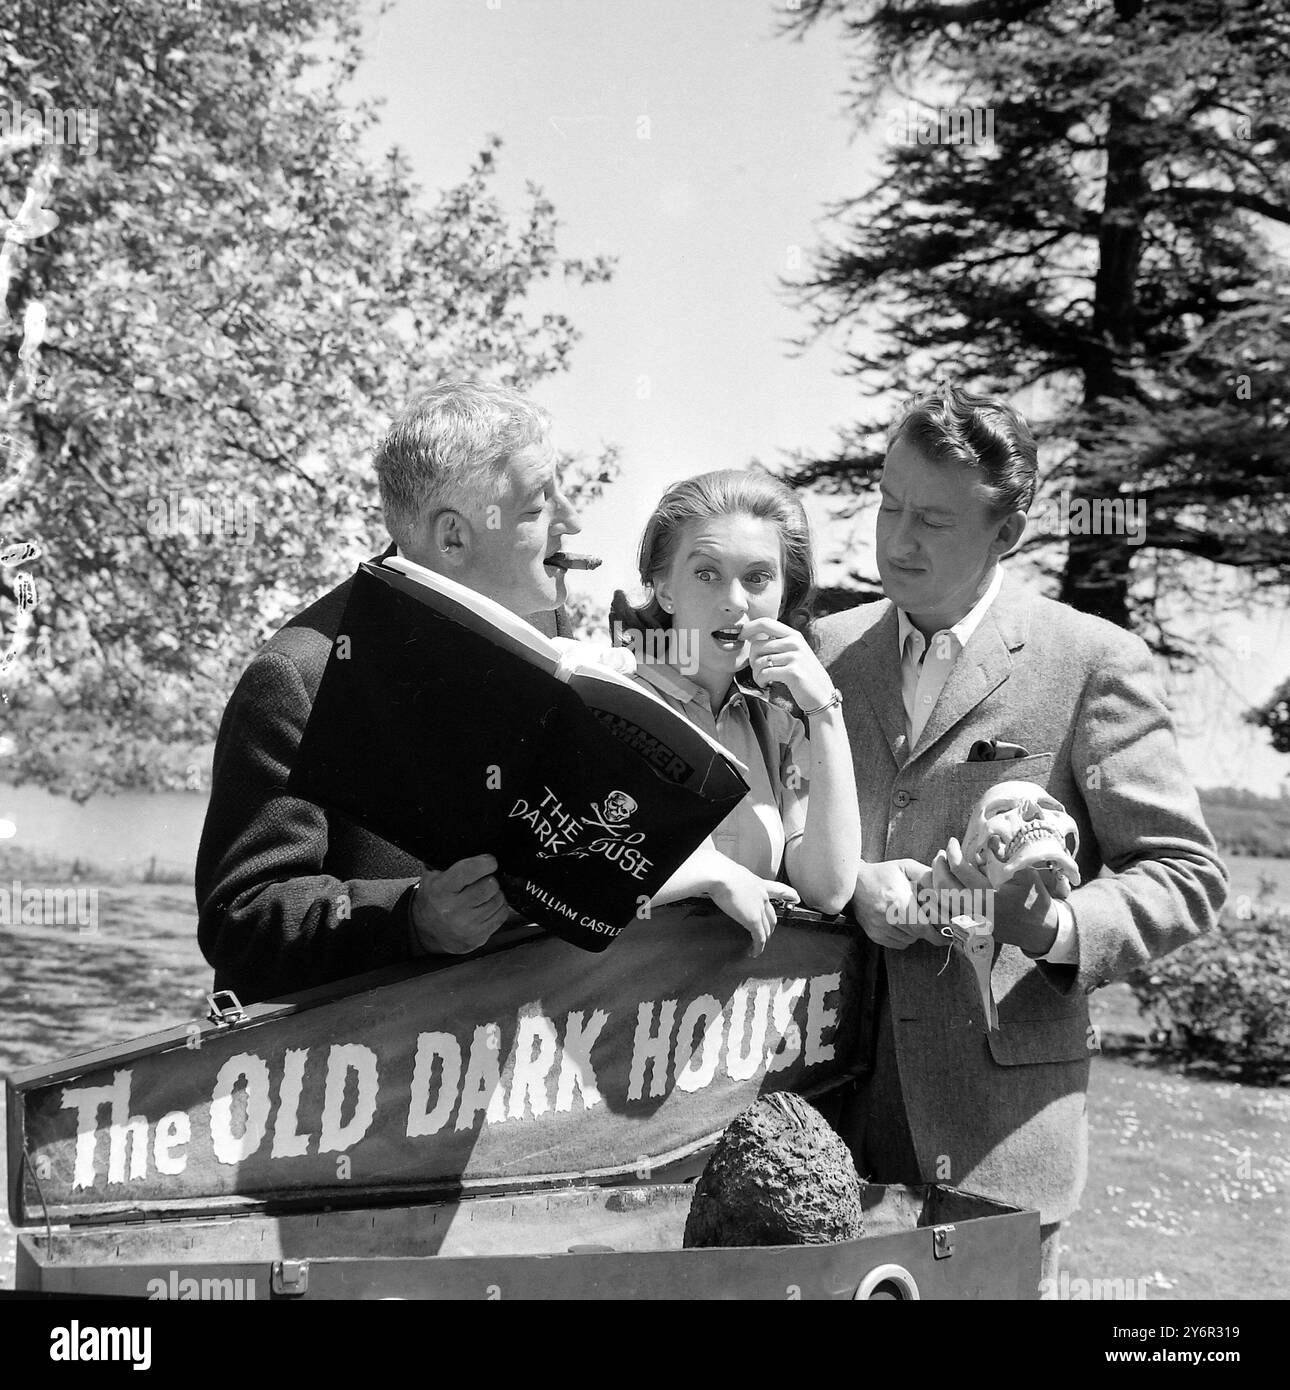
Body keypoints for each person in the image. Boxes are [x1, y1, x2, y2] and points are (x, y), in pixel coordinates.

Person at [812, 385, 1228, 1290]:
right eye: (886, 504)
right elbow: (782, 833)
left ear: (1009, 532)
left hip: (998, 1138)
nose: (897, 539)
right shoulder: (824, 652)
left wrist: (1051, 929)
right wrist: (855, 883)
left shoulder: (1091, 662)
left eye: (932, 518)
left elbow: (1187, 875)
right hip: (818, 1115)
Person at [196, 381, 587, 1004]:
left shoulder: (558, 643)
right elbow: (240, 921)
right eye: (540, 504)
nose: (572, 520)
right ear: (454, 537)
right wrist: (411, 917)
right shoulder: (299, 676)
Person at [610, 470, 862, 955]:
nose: (734, 601)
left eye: (758, 578)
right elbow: (568, 866)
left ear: (783, 596)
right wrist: (710, 875)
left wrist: (825, 710)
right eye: (707, 574)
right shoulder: (610, 699)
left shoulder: (780, 728)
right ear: (664, 589)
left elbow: (827, 890)